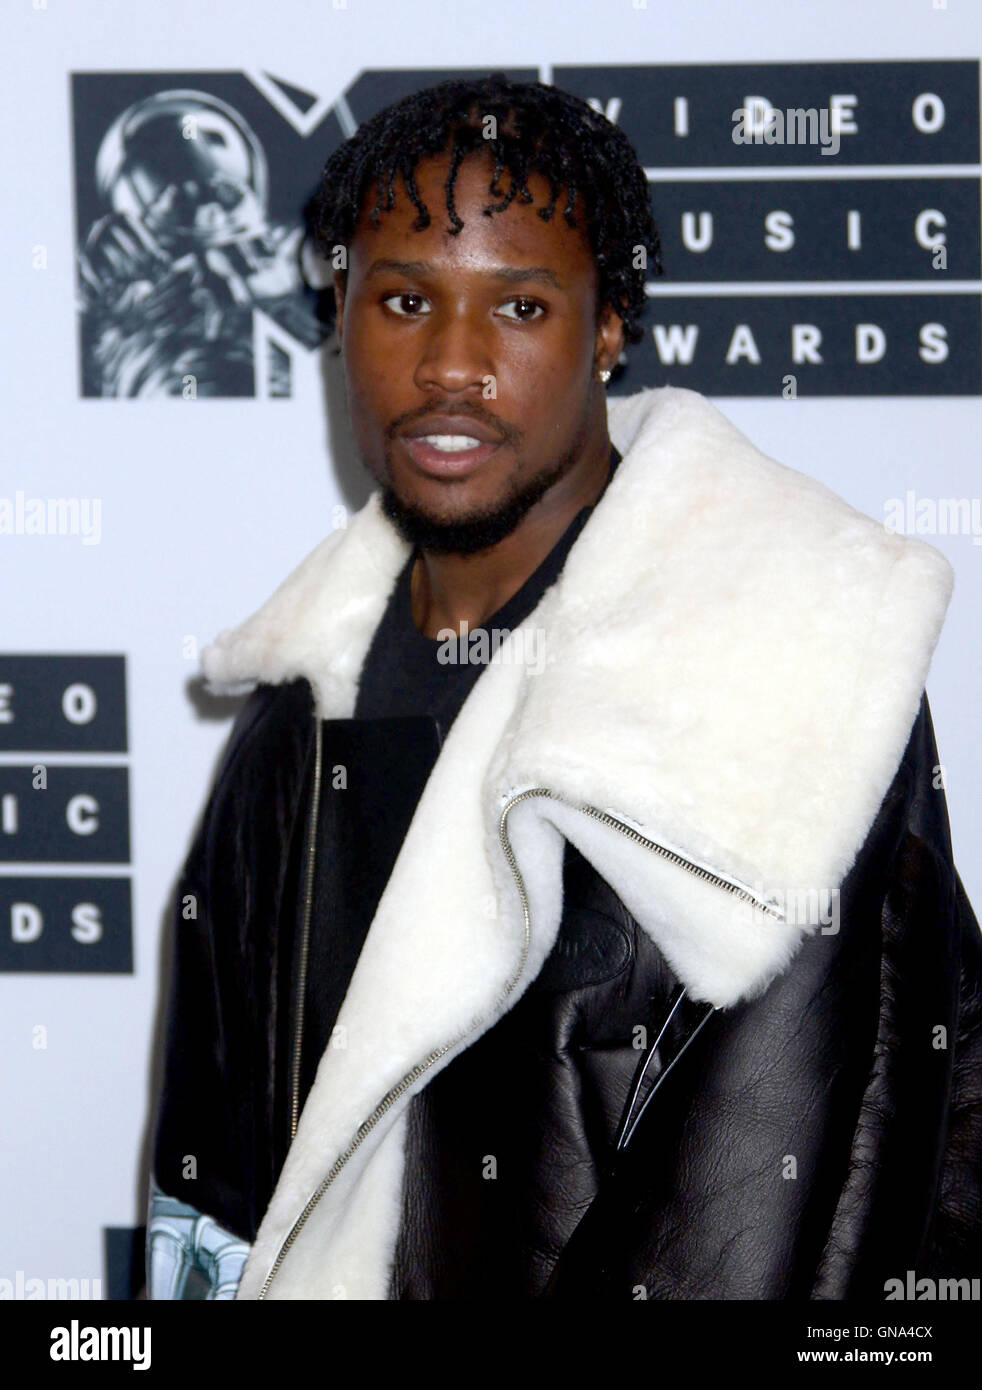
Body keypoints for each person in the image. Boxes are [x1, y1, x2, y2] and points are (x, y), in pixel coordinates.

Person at [145, 73, 982, 1301]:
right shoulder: (296, 711)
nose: (453, 366)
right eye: (404, 300)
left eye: (520, 306)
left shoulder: (785, 662)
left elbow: (764, 1232)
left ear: (607, 330)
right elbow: (215, 1205)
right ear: (340, 314)